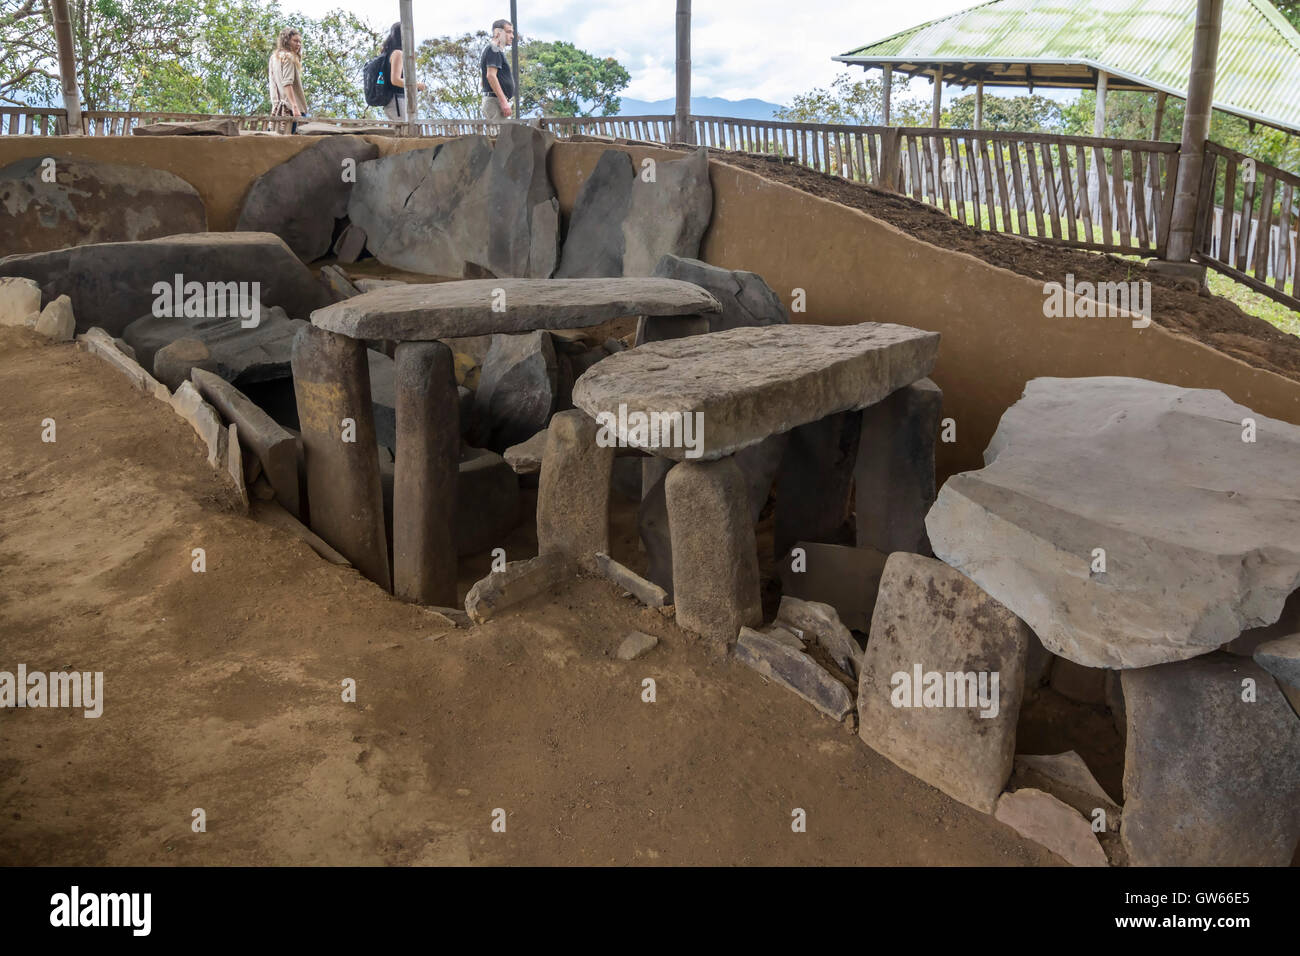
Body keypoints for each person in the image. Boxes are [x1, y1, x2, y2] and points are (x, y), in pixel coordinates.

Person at [380, 22, 426, 124]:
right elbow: (395, 80)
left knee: (402, 131)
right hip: (397, 101)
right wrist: (417, 85)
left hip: (394, 101)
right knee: (407, 131)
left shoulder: (388, 53)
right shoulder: (398, 53)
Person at [269, 27, 307, 134]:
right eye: (295, 41)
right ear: (286, 41)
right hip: (292, 110)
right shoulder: (289, 57)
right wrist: (295, 107)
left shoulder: (274, 58)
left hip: (278, 110)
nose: (298, 44)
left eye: (299, 42)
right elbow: (287, 83)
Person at [480, 19, 515, 121]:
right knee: (500, 136)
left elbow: (483, 81)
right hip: (495, 102)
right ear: (498, 34)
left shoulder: (496, 50)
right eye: (508, 32)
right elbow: (490, 76)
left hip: (495, 101)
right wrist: (503, 102)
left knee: (503, 135)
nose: (512, 36)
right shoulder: (493, 49)